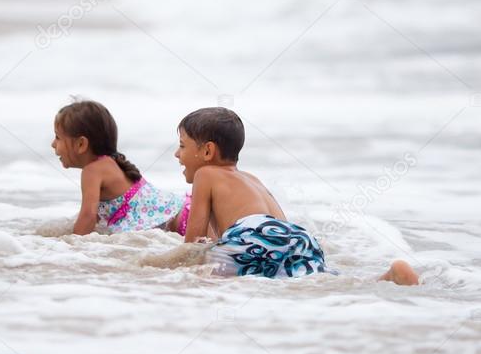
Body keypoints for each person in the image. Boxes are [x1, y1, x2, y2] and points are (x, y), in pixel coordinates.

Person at [174, 107, 419, 285]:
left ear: (207, 151)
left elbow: (193, 245)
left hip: (251, 235)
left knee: (199, 277)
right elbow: (275, 231)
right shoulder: (253, 180)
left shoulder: (206, 175)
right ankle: (386, 279)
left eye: (182, 145)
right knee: (312, 277)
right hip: (296, 237)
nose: (176, 153)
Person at [52, 100, 191, 236]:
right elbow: (96, 218)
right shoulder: (110, 164)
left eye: (58, 137)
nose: (53, 144)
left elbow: (88, 216)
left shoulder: (91, 171)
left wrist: (70, 247)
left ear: (81, 144)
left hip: (178, 221)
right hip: (185, 212)